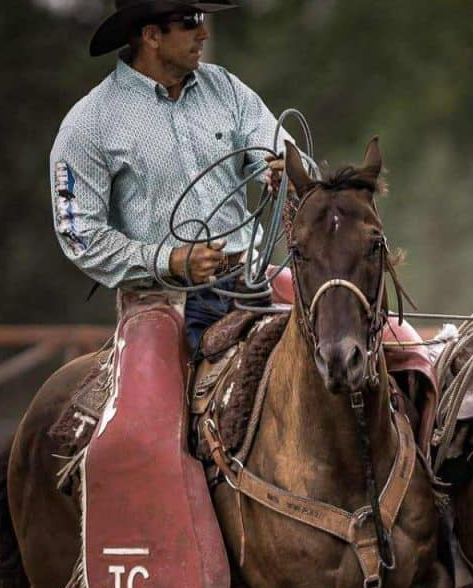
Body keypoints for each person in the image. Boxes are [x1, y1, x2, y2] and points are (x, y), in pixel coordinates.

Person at [51, 0, 295, 352]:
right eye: (189, 21)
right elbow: (80, 236)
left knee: (375, 339)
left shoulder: (225, 87)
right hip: (160, 301)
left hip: (252, 280)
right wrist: (170, 260)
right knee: (158, 407)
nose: (203, 33)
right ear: (151, 35)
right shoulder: (88, 125)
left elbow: (281, 152)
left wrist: (285, 171)